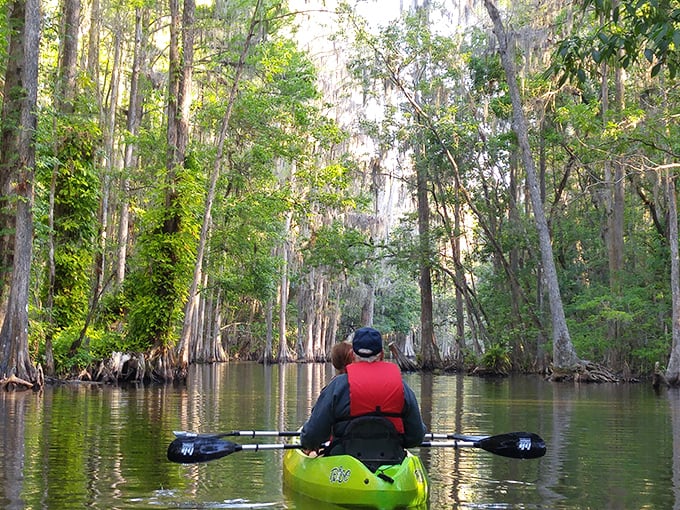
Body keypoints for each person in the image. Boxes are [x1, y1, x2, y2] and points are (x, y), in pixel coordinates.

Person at [300, 327, 426, 461]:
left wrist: (308, 444)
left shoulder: (337, 386)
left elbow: (311, 436)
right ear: (382, 355)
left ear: (353, 355)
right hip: (391, 460)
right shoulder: (402, 387)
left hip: (344, 462)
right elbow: (416, 437)